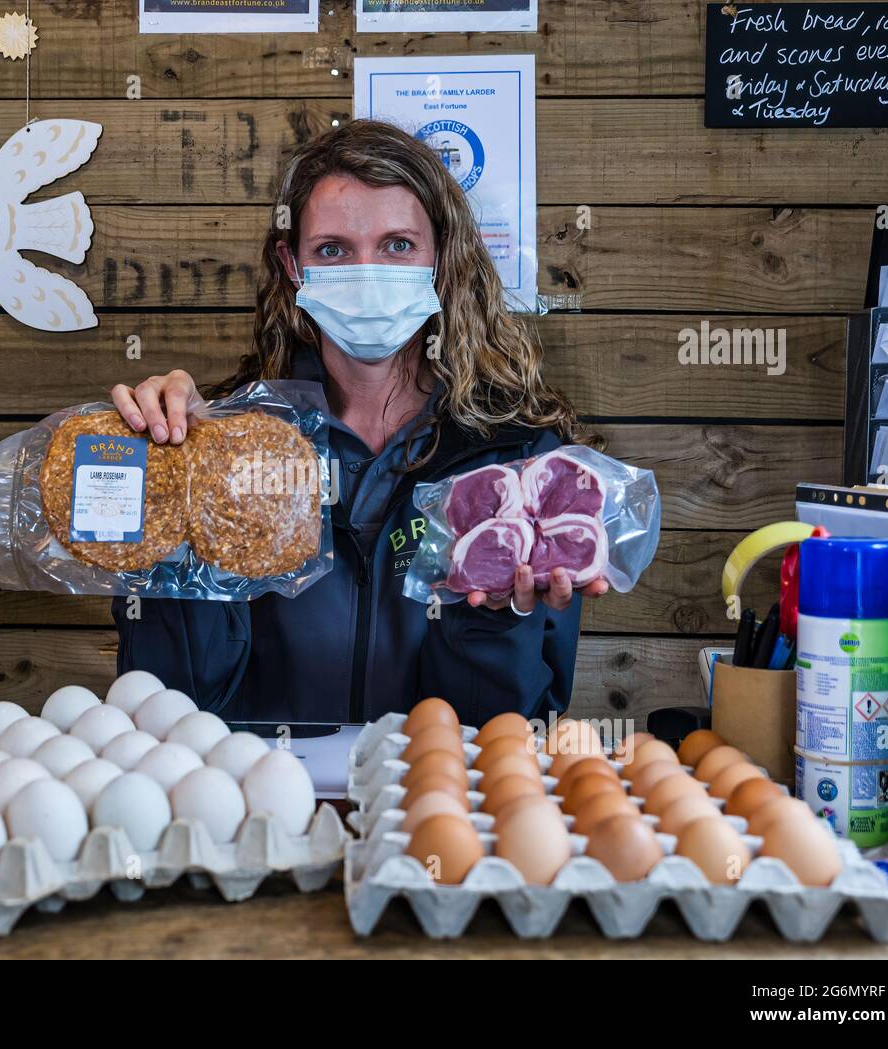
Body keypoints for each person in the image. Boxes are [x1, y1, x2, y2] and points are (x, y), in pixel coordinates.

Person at [108, 120, 606, 725]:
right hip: (261, 806)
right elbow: (171, 705)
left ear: (440, 259)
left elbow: (511, 734)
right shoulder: (232, 443)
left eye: (398, 245)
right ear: (295, 266)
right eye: (333, 249)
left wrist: (497, 619)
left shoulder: (519, 462)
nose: (366, 272)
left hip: (432, 806)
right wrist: (170, 481)